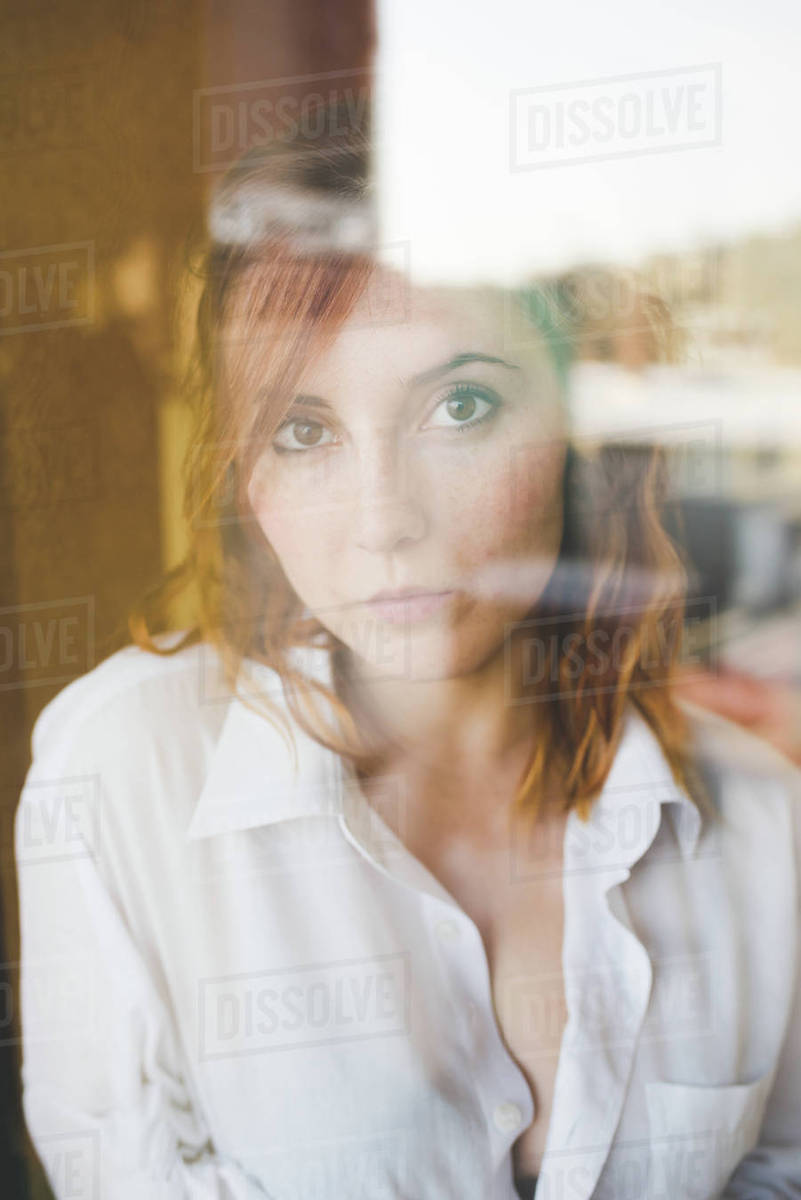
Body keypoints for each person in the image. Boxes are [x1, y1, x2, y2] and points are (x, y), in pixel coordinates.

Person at [15, 128, 801, 1200]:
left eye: (461, 407)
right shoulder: (121, 768)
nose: (387, 522)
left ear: (575, 438)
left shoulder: (757, 814)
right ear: (244, 480)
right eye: (303, 432)